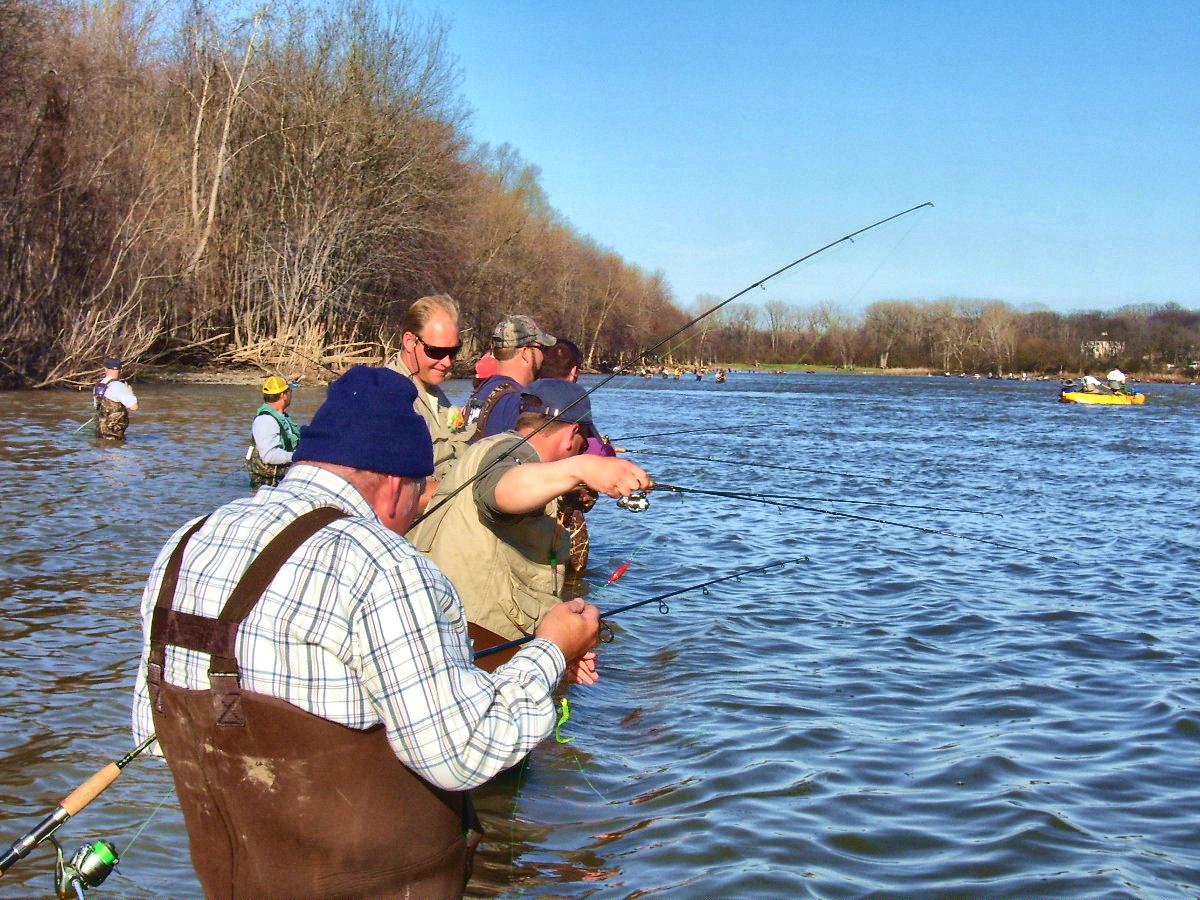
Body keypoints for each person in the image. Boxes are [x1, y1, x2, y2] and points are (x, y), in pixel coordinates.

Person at [132, 366, 601, 898]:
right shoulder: (387, 568)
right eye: (425, 489)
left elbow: (152, 733)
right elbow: (466, 752)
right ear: (396, 483)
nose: (425, 504)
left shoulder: (184, 545)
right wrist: (550, 652)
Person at [410, 379, 651, 659]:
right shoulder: (509, 452)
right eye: (583, 444)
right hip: (467, 645)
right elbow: (496, 491)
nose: (582, 450)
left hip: (448, 634)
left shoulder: (501, 452)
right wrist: (580, 468)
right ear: (572, 434)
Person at [386, 293, 471, 508]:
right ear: (409, 341)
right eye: (436, 351)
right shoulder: (387, 397)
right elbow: (391, 493)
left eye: (453, 352)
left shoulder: (436, 393)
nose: (446, 362)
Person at [464, 314, 555, 440]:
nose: (543, 356)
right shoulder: (519, 403)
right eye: (541, 348)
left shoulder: (481, 392)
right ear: (526, 353)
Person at [247, 375, 301, 489]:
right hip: (267, 487)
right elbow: (269, 456)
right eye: (289, 390)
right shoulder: (266, 420)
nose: (291, 394)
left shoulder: (281, 417)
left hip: (281, 482)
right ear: (283, 395)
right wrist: (298, 455)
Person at [93, 357, 138, 440]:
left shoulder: (99, 384)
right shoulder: (120, 386)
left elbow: (96, 406)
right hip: (115, 433)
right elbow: (134, 407)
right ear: (120, 370)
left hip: (100, 430)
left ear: (105, 369)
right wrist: (130, 392)